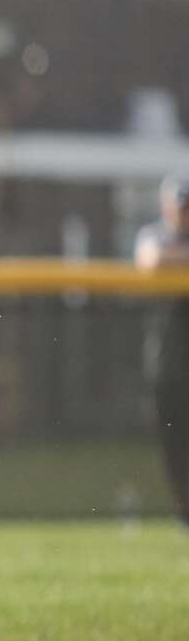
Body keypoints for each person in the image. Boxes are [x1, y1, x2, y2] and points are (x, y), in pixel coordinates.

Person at [134, 174, 189, 528]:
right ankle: (185, 511)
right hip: (168, 363)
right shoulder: (153, 234)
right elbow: (151, 260)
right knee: (174, 441)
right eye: (181, 207)